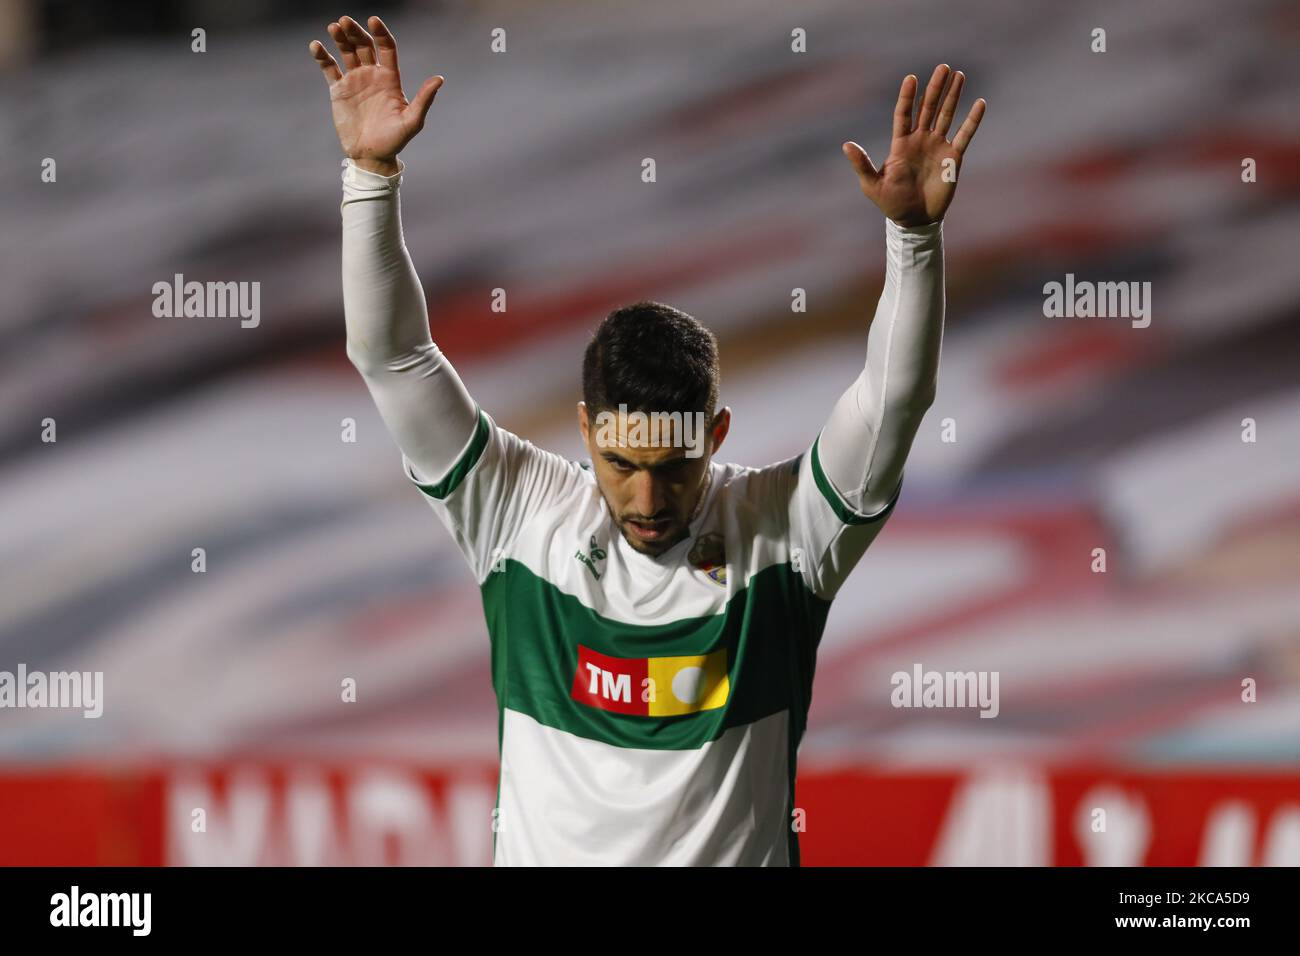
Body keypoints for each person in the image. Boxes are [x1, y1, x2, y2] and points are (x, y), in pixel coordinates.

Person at [310, 14, 984, 865]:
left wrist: (914, 240)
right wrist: (370, 176)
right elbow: (393, 357)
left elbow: (897, 400)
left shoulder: (785, 533)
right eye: (620, 462)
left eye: (673, 467)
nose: (646, 498)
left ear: (717, 435)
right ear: (584, 429)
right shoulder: (518, 513)